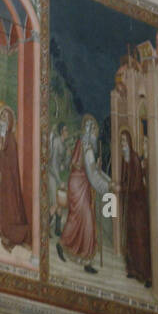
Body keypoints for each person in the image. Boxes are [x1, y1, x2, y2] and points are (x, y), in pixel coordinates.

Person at [58, 115, 111, 273]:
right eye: (95, 129)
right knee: (84, 220)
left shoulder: (87, 145)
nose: (97, 132)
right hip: (78, 184)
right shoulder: (86, 145)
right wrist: (107, 185)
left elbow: (91, 168)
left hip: (81, 184)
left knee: (82, 220)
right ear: (89, 129)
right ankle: (66, 246)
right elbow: (88, 171)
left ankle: (85, 258)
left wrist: (96, 165)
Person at [0, 105, 30, 251]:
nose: (2, 119)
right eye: (1, 116)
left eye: (5, 117)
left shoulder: (11, 139)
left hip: (8, 179)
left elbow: (9, 159)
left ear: (10, 121)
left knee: (7, 204)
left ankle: (8, 230)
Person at [119, 128, 152, 286]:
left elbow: (136, 184)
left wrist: (122, 188)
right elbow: (124, 179)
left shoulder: (134, 159)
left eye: (124, 141)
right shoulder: (124, 159)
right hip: (130, 204)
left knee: (140, 238)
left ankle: (146, 275)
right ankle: (132, 270)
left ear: (129, 142)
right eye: (121, 142)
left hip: (138, 205)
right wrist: (120, 186)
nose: (122, 144)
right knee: (131, 237)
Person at [49, 121, 69, 237]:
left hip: (57, 175)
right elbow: (53, 165)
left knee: (60, 204)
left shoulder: (64, 145)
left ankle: (57, 229)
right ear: (61, 131)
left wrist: (68, 156)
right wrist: (59, 181)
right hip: (52, 175)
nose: (67, 132)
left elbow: (64, 166)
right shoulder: (56, 142)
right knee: (55, 204)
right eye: (66, 130)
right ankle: (45, 228)